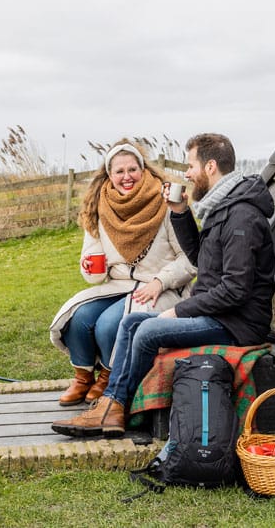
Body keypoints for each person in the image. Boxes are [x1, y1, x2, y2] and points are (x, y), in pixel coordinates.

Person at [52, 133, 275, 437]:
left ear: (210, 167)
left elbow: (235, 290)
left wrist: (180, 310)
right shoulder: (223, 205)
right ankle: (112, 406)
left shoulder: (241, 216)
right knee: (132, 322)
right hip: (218, 314)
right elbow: (200, 258)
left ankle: (122, 407)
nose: (187, 173)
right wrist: (180, 213)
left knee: (147, 331)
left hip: (237, 324)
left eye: (191, 165)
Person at [49, 139, 196, 406]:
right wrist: (91, 268)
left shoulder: (165, 204)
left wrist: (160, 281)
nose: (126, 177)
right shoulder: (99, 207)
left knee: (107, 325)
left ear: (143, 171)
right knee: (77, 318)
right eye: (119, 171)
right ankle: (83, 378)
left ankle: (107, 375)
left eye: (132, 170)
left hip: (158, 286)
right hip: (117, 285)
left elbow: (189, 258)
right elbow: (92, 266)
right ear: (109, 175)